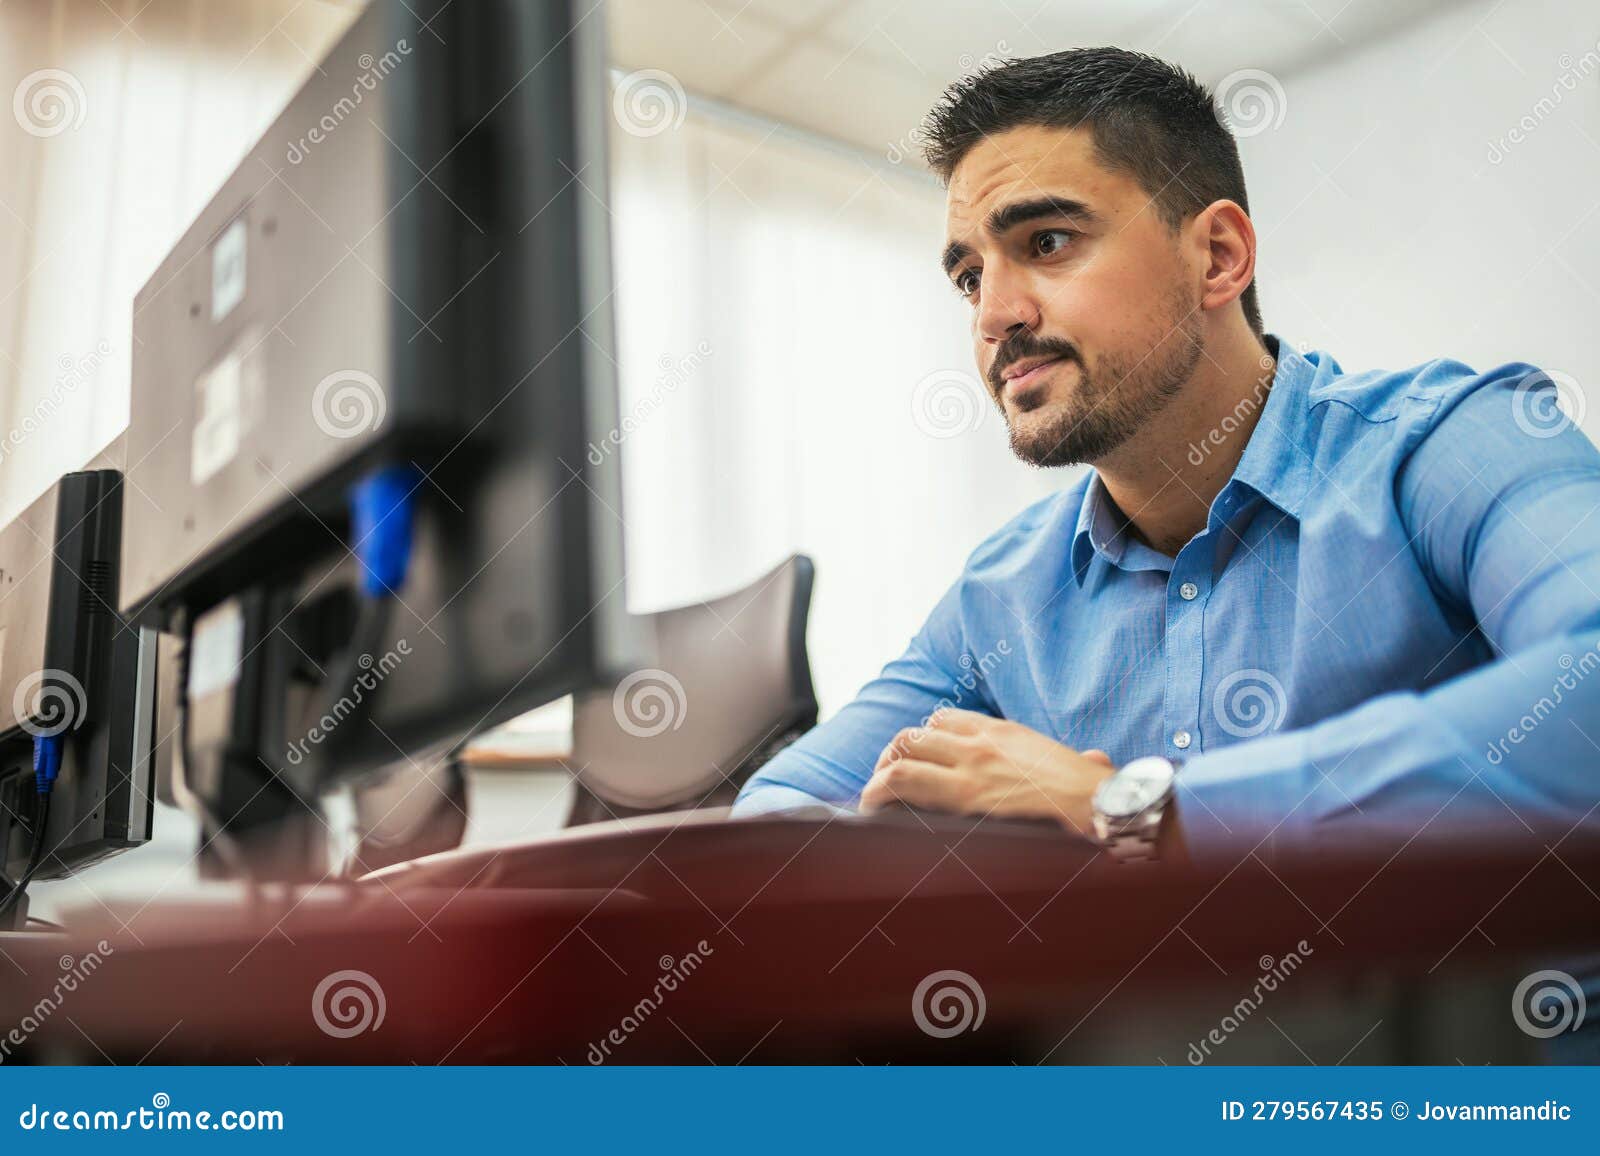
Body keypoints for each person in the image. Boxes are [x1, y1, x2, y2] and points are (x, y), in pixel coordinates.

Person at [732, 47, 1600, 867]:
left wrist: (1138, 810)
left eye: (1046, 242)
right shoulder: (1001, 598)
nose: (993, 314)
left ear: (1217, 257)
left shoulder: (1448, 445)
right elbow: (775, 819)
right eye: (968, 277)